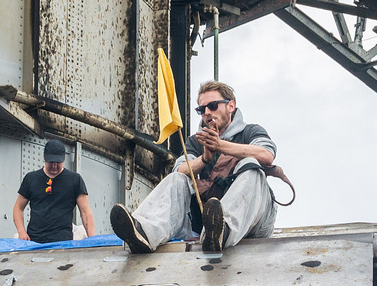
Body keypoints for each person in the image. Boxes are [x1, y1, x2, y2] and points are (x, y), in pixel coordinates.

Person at [113, 80, 282, 255]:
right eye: (201, 110)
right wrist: (205, 158)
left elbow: (266, 155)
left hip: (253, 221)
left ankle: (224, 230)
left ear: (231, 106)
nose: (207, 112)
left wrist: (220, 145)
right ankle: (144, 233)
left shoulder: (250, 132)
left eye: (213, 106)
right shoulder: (196, 141)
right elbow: (180, 170)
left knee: (252, 168)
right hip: (207, 226)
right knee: (177, 178)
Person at [13, 140, 97, 243]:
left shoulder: (75, 180)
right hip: (34, 242)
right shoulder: (31, 178)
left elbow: (85, 212)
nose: (54, 166)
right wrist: (21, 232)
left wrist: (92, 240)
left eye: (58, 162)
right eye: (51, 162)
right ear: (44, 157)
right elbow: (18, 208)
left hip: (63, 243)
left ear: (63, 159)